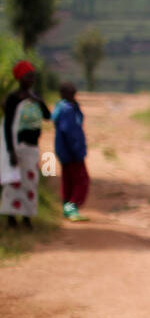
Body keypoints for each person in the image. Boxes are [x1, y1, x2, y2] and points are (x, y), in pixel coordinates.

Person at [2, 61, 51, 229]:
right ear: (20, 78)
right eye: (28, 76)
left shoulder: (35, 97)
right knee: (13, 182)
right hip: (17, 147)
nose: (32, 79)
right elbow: (8, 126)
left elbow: (47, 116)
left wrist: (38, 100)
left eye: (33, 76)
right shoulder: (13, 99)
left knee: (30, 183)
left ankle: (27, 217)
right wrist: (11, 151)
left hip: (32, 148)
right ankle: (11, 217)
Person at [52, 82, 89, 221]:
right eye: (73, 94)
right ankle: (72, 207)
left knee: (68, 180)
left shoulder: (60, 108)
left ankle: (66, 207)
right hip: (72, 152)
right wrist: (77, 150)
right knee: (81, 180)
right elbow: (71, 132)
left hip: (63, 151)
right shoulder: (68, 110)